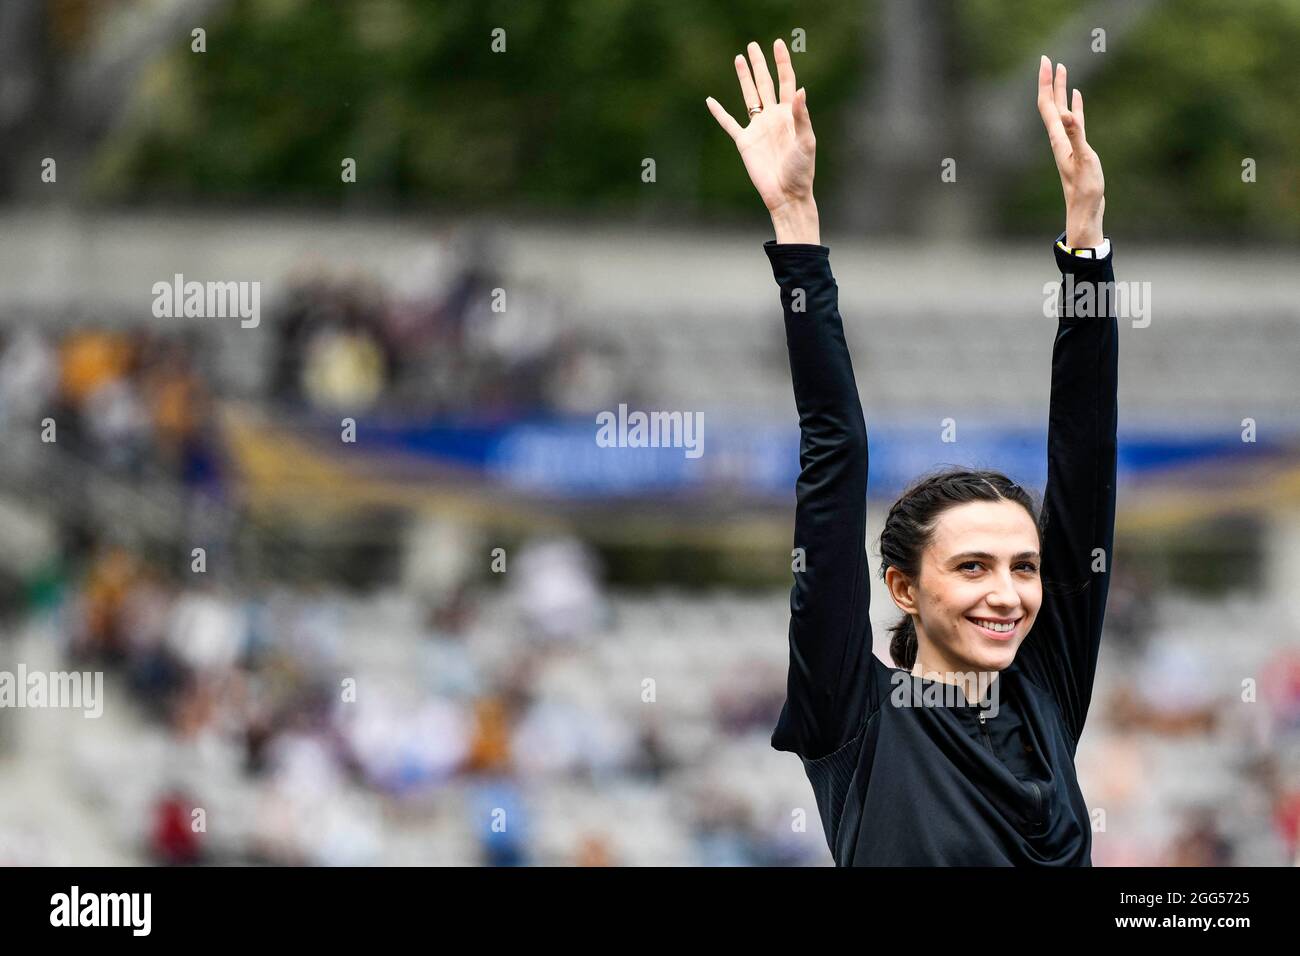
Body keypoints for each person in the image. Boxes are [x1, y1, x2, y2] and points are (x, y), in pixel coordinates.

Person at [706, 41, 1117, 865]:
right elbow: (835, 445)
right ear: (902, 586)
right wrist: (796, 229)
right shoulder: (851, 712)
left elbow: (1085, 455)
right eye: (972, 567)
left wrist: (1087, 251)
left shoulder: (1044, 692)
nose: (1008, 594)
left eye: (1024, 566)